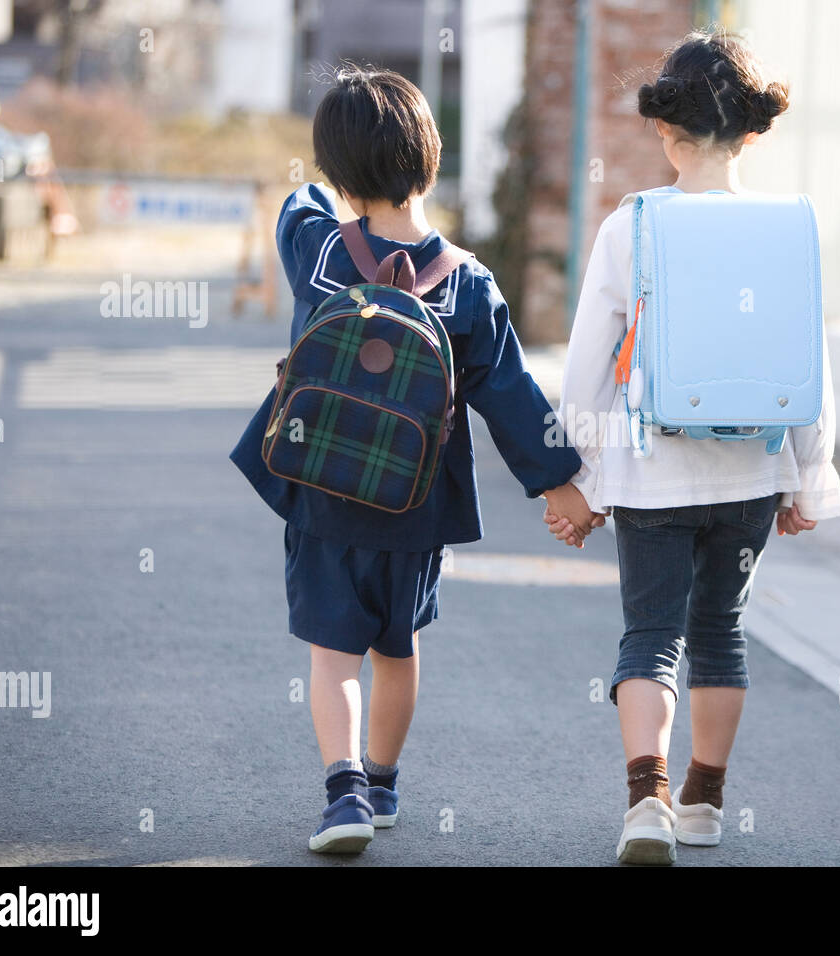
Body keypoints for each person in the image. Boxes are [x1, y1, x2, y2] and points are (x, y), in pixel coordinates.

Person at [230, 65, 596, 853]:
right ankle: (384, 782)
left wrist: (323, 191)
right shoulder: (469, 284)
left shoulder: (320, 254)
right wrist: (561, 485)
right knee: (398, 648)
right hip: (417, 503)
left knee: (334, 656)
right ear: (429, 157)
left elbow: (298, 209)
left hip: (324, 490)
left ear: (339, 172)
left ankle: (344, 795)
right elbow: (510, 394)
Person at [546, 30, 840, 864]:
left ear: (663, 131)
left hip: (651, 473)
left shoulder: (633, 225)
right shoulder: (788, 226)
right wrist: (808, 476)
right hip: (753, 470)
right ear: (753, 132)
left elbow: (586, 371)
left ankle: (647, 801)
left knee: (650, 635)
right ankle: (706, 800)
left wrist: (585, 477)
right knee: (721, 633)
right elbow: (809, 362)